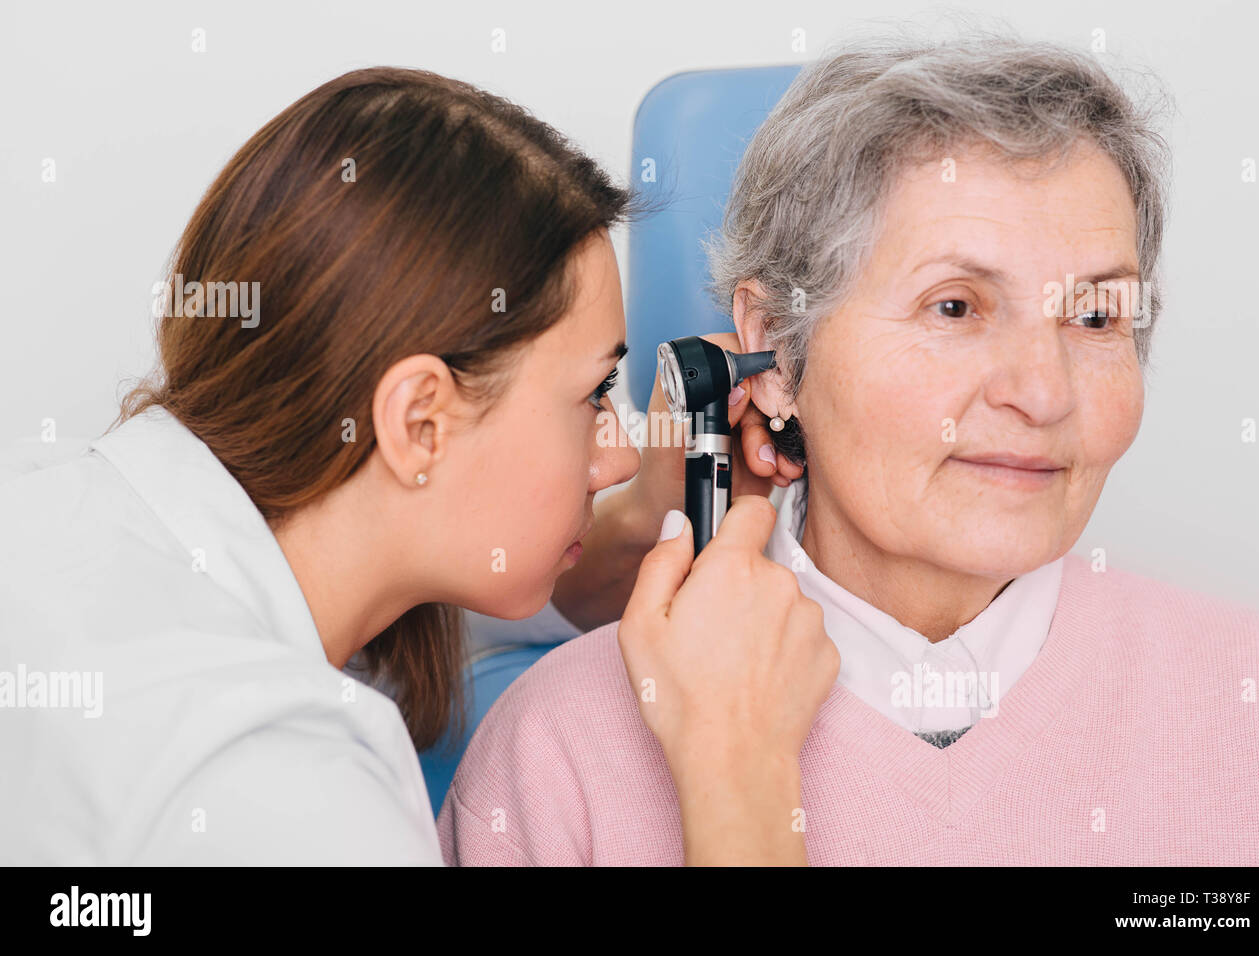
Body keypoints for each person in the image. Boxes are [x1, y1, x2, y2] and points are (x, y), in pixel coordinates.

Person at [438, 32, 1259, 865]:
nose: (1043, 393)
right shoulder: (554, 762)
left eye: (1096, 316)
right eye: (955, 307)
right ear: (775, 348)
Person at [0, 66, 838, 865]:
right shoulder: (276, 794)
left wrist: (635, 527)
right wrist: (739, 769)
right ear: (420, 422)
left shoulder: (68, 513)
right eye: (594, 394)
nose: (617, 453)